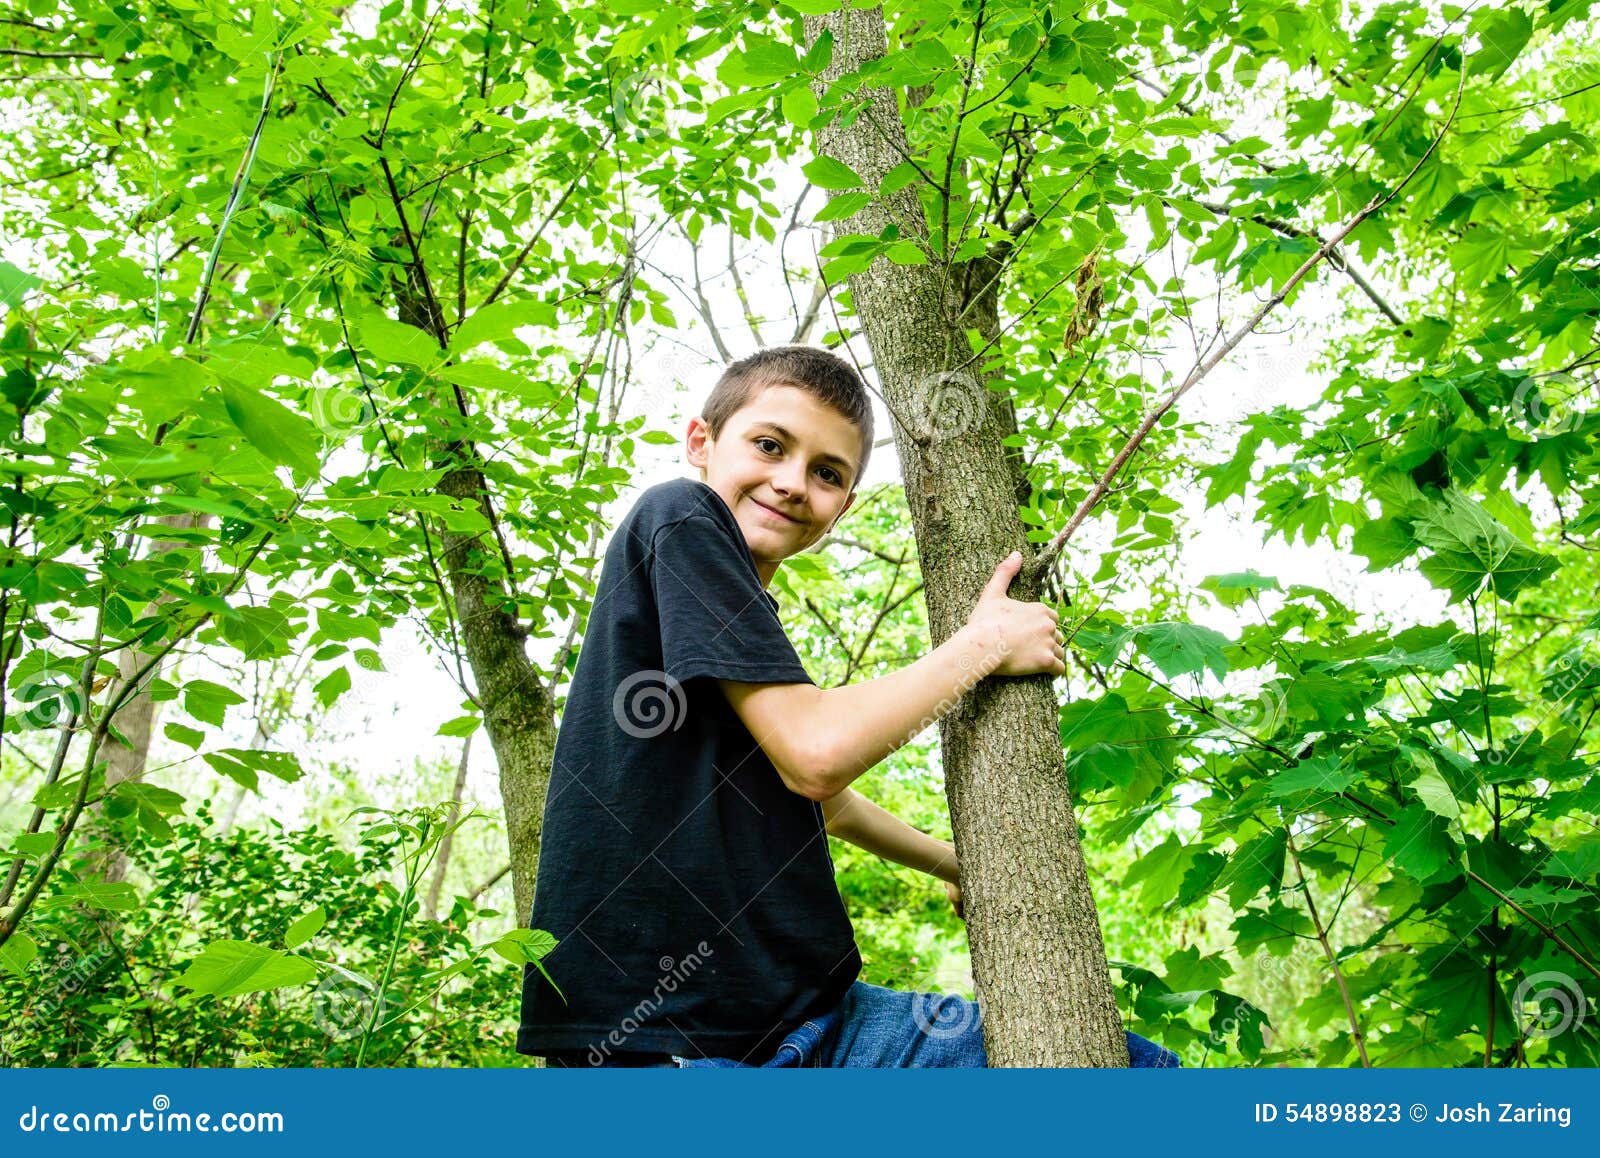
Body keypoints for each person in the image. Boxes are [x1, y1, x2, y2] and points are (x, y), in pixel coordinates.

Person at [517, 345, 1178, 1068]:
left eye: (827, 473)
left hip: (805, 1021)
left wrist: (952, 862)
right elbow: (817, 756)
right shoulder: (679, 515)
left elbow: (818, 801)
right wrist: (984, 645)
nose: (793, 483)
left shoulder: (730, 612)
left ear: (845, 506)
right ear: (701, 442)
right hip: (678, 1044)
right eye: (769, 445)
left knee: (1128, 1068)